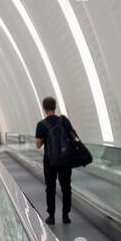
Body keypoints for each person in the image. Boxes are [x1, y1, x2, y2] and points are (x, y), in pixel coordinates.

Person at [35, 96, 77, 225]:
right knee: (66, 187)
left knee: (50, 188)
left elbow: (38, 144)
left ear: (44, 108)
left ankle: (51, 216)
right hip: (65, 161)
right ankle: (65, 215)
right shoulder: (64, 121)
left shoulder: (41, 124)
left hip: (50, 161)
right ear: (55, 107)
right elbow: (73, 137)